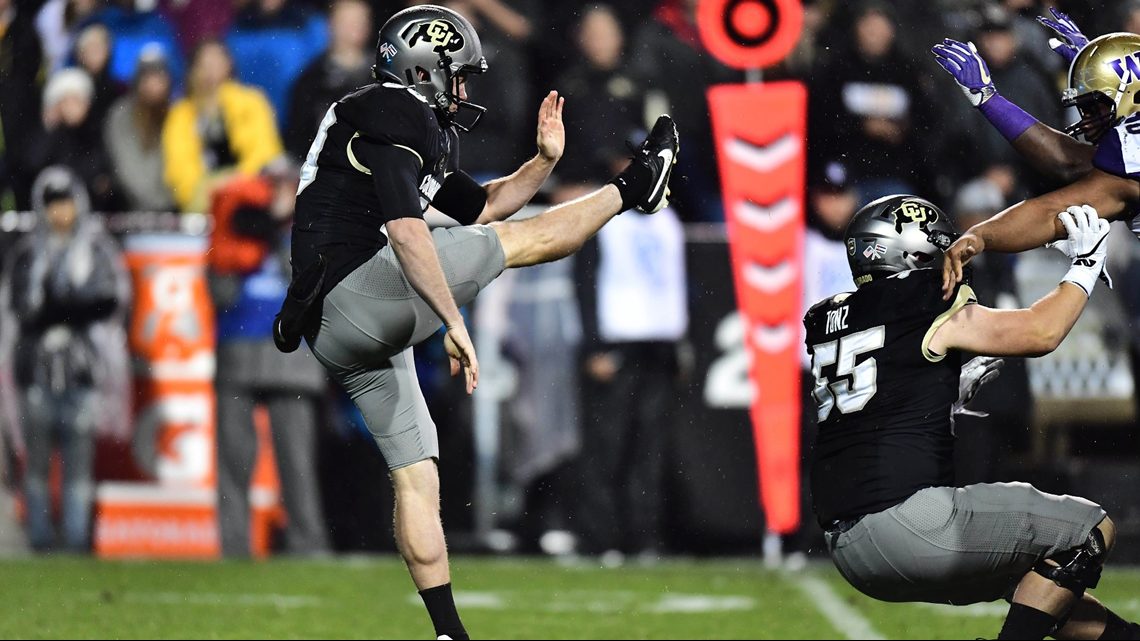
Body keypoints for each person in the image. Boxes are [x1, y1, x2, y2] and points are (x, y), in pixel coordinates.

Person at [273, 6, 678, 637]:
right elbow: (410, 232)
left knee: (416, 475)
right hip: (361, 288)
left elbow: (482, 206)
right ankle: (635, 186)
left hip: (336, 324)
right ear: (423, 68)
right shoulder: (391, 107)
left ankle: (446, 632)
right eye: (456, 74)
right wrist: (451, 318)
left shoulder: (394, 120)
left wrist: (543, 163)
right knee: (521, 245)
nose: (464, 88)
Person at [808, 195, 1139, 640]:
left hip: (847, 545)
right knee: (1089, 530)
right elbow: (1041, 332)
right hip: (910, 523)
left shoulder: (830, 317)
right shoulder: (920, 297)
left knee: (1042, 590)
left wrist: (938, 392)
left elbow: (871, 408)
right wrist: (1086, 263)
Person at [938, 31, 1140, 299]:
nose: (1086, 118)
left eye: (1094, 106)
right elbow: (1071, 161)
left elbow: (1055, 204)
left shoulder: (1130, 152)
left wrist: (982, 234)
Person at [0, 166, 129, 552]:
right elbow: (20, 309)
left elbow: (109, 303)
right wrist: (70, 307)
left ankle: (74, 543)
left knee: (78, 468)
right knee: (36, 467)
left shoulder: (96, 251)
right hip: (37, 372)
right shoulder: (27, 255)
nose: (60, 213)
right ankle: (40, 541)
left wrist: (60, 308)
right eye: (52, 204)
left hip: (81, 371)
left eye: (66, 203)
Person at [209, 162, 329, 558]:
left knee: (297, 464)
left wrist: (279, 235)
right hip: (238, 354)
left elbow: (312, 286)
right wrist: (240, 241)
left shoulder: (312, 230)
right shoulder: (233, 230)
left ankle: (308, 547)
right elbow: (219, 294)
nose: (277, 194)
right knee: (233, 462)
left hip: (290, 359)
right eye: (271, 186)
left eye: (285, 186)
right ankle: (234, 549)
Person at [162, 39, 282, 213]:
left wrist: (231, 183)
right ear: (193, 69)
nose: (211, 69)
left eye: (217, 60)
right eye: (205, 63)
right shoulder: (181, 114)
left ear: (229, 64)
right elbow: (179, 170)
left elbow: (264, 154)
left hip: (247, 202)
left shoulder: (251, 102)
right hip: (202, 205)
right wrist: (207, 192)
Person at [284, 0, 373, 163]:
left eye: (362, 20)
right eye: (348, 21)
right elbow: (297, 142)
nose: (357, 26)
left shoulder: (385, 73)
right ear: (330, 25)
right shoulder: (310, 81)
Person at [29, 67, 124, 212]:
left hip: (93, 213)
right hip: (52, 213)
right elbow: (32, 167)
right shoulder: (49, 135)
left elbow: (102, 179)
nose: (73, 108)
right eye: (67, 101)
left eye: (78, 100)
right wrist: (50, 127)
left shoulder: (98, 133)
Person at [103, 47, 176, 212]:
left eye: (159, 77)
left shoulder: (178, 114)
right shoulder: (121, 116)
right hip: (131, 210)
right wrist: (158, 205)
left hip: (175, 210)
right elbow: (127, 169)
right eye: (148, 78)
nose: (154, 85)